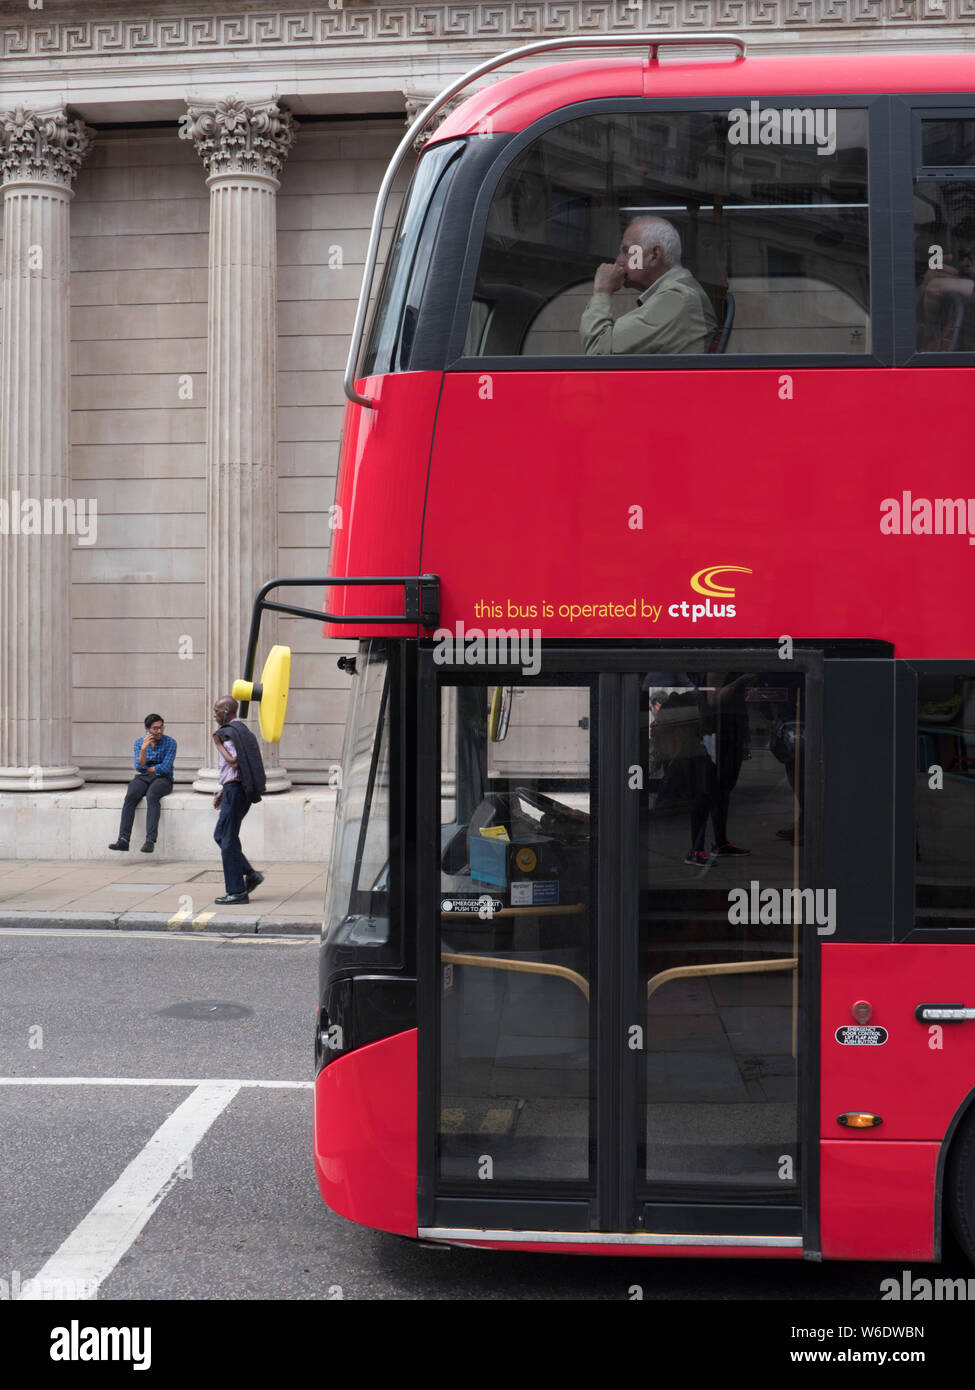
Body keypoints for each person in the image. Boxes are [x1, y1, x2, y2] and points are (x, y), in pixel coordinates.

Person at [580, 216, 717, 356]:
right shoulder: (678, 293)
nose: (618, 261)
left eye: (627, 252)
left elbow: (598, 351)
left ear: (654, 255)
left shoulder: (677, 298)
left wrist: (602, 291)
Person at [211, 696, 266, 905]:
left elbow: (234, 762)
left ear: (226, 710)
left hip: (237, 791)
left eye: (217, 709)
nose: (214, 714)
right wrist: (222, 790)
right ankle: (250, 874)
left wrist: (217, 744)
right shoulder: (243, 731)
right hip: (234, 789)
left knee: (226, 839)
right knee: (222, 835)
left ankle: (237, 891)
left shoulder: (227, 734)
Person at [109, 713, 176, 853]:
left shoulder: (171, 742)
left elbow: (165, 768)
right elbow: (139, 767)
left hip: (164, 779)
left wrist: (148, 768)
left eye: (161, 728)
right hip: (144, 777)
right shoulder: (139, 743)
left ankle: (150, 841)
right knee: (131, 796)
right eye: (155, 728)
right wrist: (143, 750)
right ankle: (123, 840)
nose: (159, 731)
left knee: (152, 795)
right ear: (147, 729)